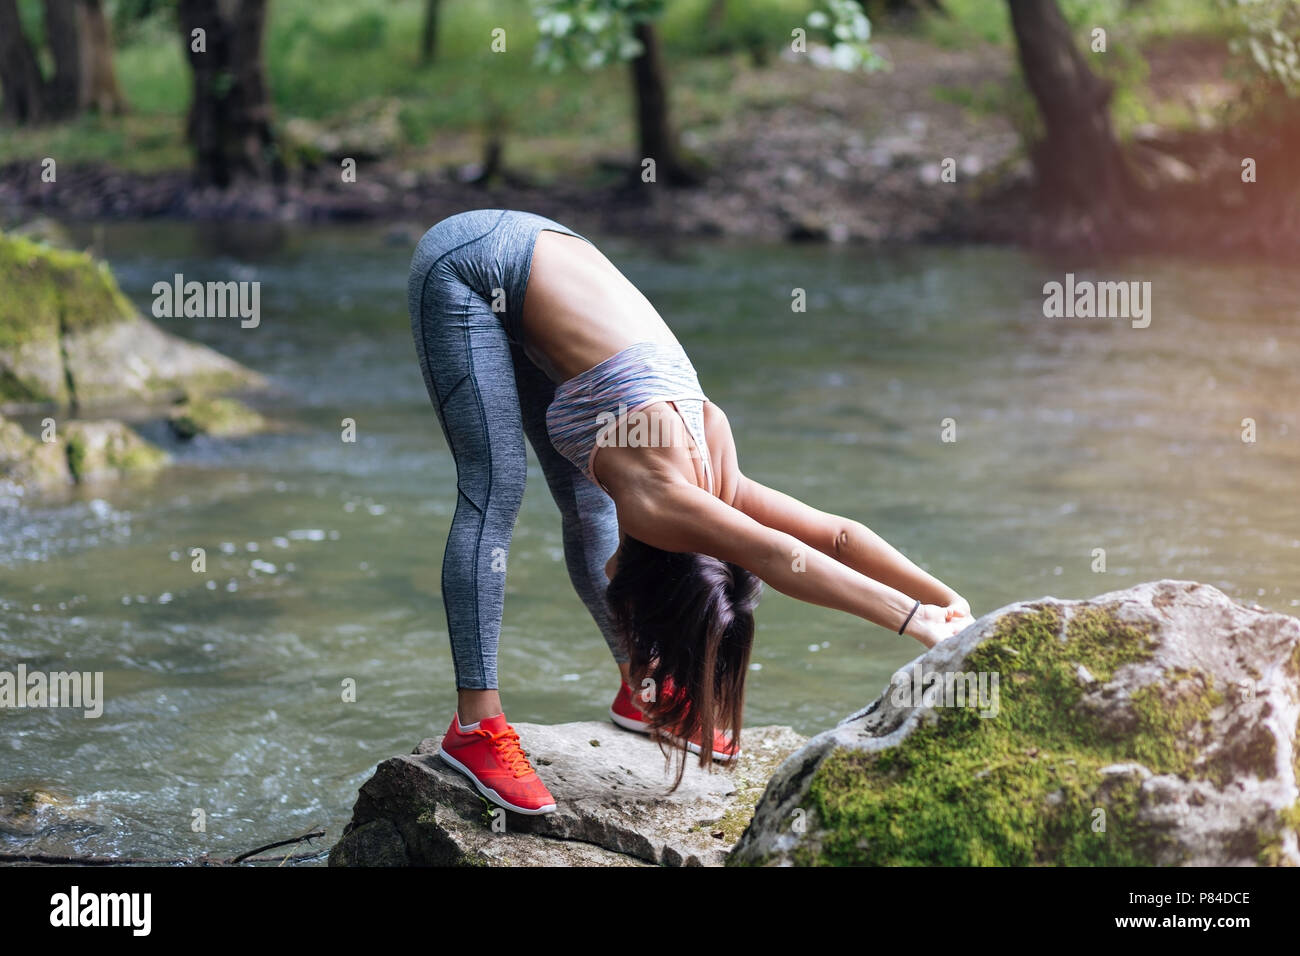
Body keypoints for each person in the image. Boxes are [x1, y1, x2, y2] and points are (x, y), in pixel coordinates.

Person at [408, 208, 971, 815]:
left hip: (549, 261)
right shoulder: (661, 502)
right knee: (494, 490)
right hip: (469, 265)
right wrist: (917, 618)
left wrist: (946, 600)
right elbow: (785, 553)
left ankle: (640, 684)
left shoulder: (711, 478)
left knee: (590, 509)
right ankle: (476, 726)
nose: (610, 578)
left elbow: (836, 536)